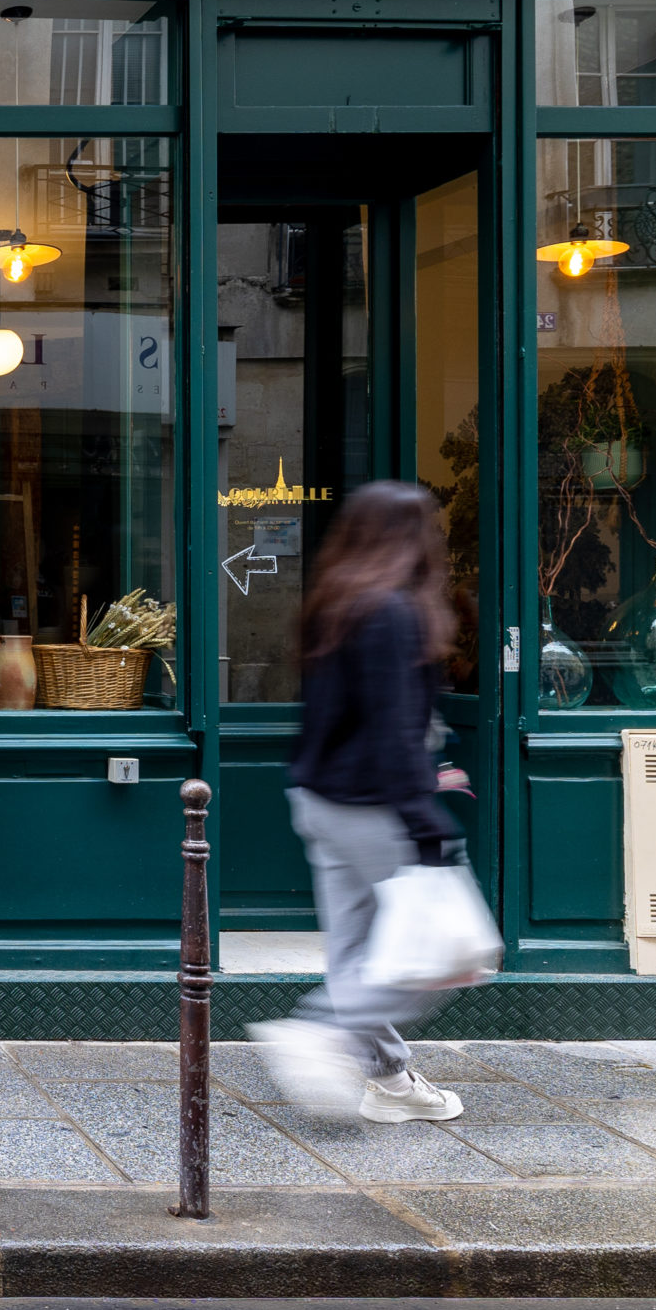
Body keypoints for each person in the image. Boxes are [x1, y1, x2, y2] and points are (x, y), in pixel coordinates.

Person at [249, 479, 469, 1125]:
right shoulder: (396, 613)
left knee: (355, 951)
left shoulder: (336, 603)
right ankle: (324, 1033)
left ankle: (389, 1077)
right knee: (448, 954)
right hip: (373, 803)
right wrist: (427, 824)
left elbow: (343, 719)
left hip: (319, 798)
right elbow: (395, 734)